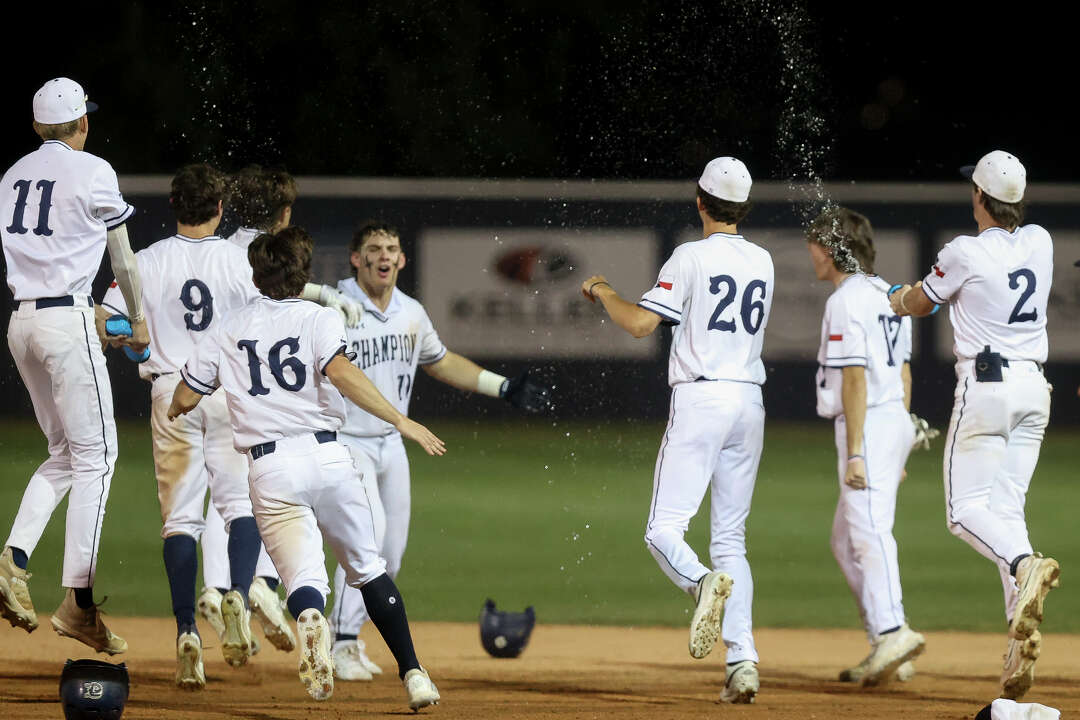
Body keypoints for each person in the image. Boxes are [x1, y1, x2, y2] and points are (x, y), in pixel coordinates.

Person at [167, 226, 444, 709]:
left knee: (304, 582)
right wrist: (401, 420)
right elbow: (341, 372)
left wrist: (178, 403)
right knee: (369, 569)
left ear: (255, 276)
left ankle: (311, 616)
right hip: (329, 458)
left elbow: (186, 395)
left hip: (270, 468)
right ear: (304, 273)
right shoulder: (320, 318)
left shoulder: (228, 327)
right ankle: (415, 674)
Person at [581, 157, 770, 704]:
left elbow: (641, 324)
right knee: (730, 538)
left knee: (663, 530)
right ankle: (743, 662)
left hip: (703, 397)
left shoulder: (690, 255)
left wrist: (602, 290)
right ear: (744, 207)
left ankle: (699, 582)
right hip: (749, 401)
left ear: (699, 201)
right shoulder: (763, 260)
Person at [326, 222, 552, 680]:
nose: (384, 256)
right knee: (367, 538)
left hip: (392, 444)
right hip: (346, 440)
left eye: (392, 248)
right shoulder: (334, 303)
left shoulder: (410, 311)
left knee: (392, 550)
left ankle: (350, 635)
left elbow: (441, 360)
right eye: (373, 248)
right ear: (356, 258)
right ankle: (342, 641)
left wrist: (502, 386)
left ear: (403, 260)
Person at [99, 163, 286, 687]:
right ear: (221, 209)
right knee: (240, 507)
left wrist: (130, 334)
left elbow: (108, 319)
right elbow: (270, 320)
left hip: (169, 391)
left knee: (181, 520)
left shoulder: (147, 261)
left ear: (175, 207)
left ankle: (186, 630)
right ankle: (236, 596)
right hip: (228, 393)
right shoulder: (241, 260)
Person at [889, 150, 1060, 700]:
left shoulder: (964, 249)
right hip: (1035, 389)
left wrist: (894, 296)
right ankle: (1017, 653)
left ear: (980, 198)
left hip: (987, 387)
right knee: (1005, 513)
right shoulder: (1042, 241)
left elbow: (919, 302)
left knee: (965, 513)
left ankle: (1023, 562)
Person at [0, 78, 147, 654]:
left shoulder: (10, 176)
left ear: (37, 128)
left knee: (64, 454)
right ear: (82, 123)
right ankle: (78, 604)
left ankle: (12, 560)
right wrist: (136, 320)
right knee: (99, 456)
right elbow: (124, 258)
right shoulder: (94, 171)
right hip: (67, 319)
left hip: (21, 324)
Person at [197, 164, 362, 654]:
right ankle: (261, 584)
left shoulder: (216, 251)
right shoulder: (262, 260)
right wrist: (325, 294)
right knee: (279, 491)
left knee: (226, 499)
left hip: (204, 380)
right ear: (283, 212)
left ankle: (217, 586)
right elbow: (273, 297)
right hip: (258, 396)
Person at [806, 206, 929, 686]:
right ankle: (887, 642)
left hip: (868, 423)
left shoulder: (847, 299)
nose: (811, 251)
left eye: (817, 243)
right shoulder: (888, 293)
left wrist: (858, 452)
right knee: (845, 540)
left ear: (835, 249)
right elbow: (903, 372)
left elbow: (854, 377)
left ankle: (892, 631)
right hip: (891, 418)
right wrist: (898, 440)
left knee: (868, 532)